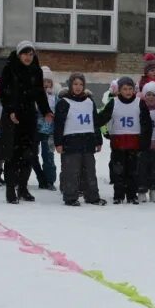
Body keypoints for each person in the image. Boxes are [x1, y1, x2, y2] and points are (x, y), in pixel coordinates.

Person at [0, 41, 51, 204]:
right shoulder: (10, 69)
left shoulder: (36, 71)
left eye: (31, 54)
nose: (28, 57)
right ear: (18, 54)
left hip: (29, 115)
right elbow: (4, 92)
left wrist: (46, 110)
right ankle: (10, 189)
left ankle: (22, 188)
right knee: (12, 155)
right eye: (24, 54)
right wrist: (11, 110)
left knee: (28, 154)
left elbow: (40, 93)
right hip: (12, 116)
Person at [97, 76, 152, 204]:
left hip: (134, 143)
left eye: (130, 88)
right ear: (119, 90)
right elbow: (103, 117)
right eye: (125, 89)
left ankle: (132, 195)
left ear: (134, 90)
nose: (128, 91)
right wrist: (94, 122)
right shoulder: (114, 103)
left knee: (132, 171)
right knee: (118, 171)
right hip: (118, 143)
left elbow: (146, 124)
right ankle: (118, 195)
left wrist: (145, 141)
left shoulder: (139, 103)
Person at [53, 72, 105, 207]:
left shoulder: (89, 102)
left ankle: (92, 196)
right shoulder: (64, 103)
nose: (78, 87)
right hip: (71, 142)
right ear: (70, 85)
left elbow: (95, 122)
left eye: (81, 84)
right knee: (71, 171)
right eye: (75, 84)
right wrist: (58, 143)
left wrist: (98, 140)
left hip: (87, 141)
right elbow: (58, 125)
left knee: (89, 171)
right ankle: (70, 197)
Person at [32, 66, 58, 191]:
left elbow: (59, 112)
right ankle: (40, 178)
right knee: (32, 155)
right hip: (35, 131)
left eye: (48, 81)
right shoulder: (34, 96)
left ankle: (50, 180)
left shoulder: (55, 97)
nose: (46, 84)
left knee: (48, 156)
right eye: (43, 81)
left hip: (49, 132)